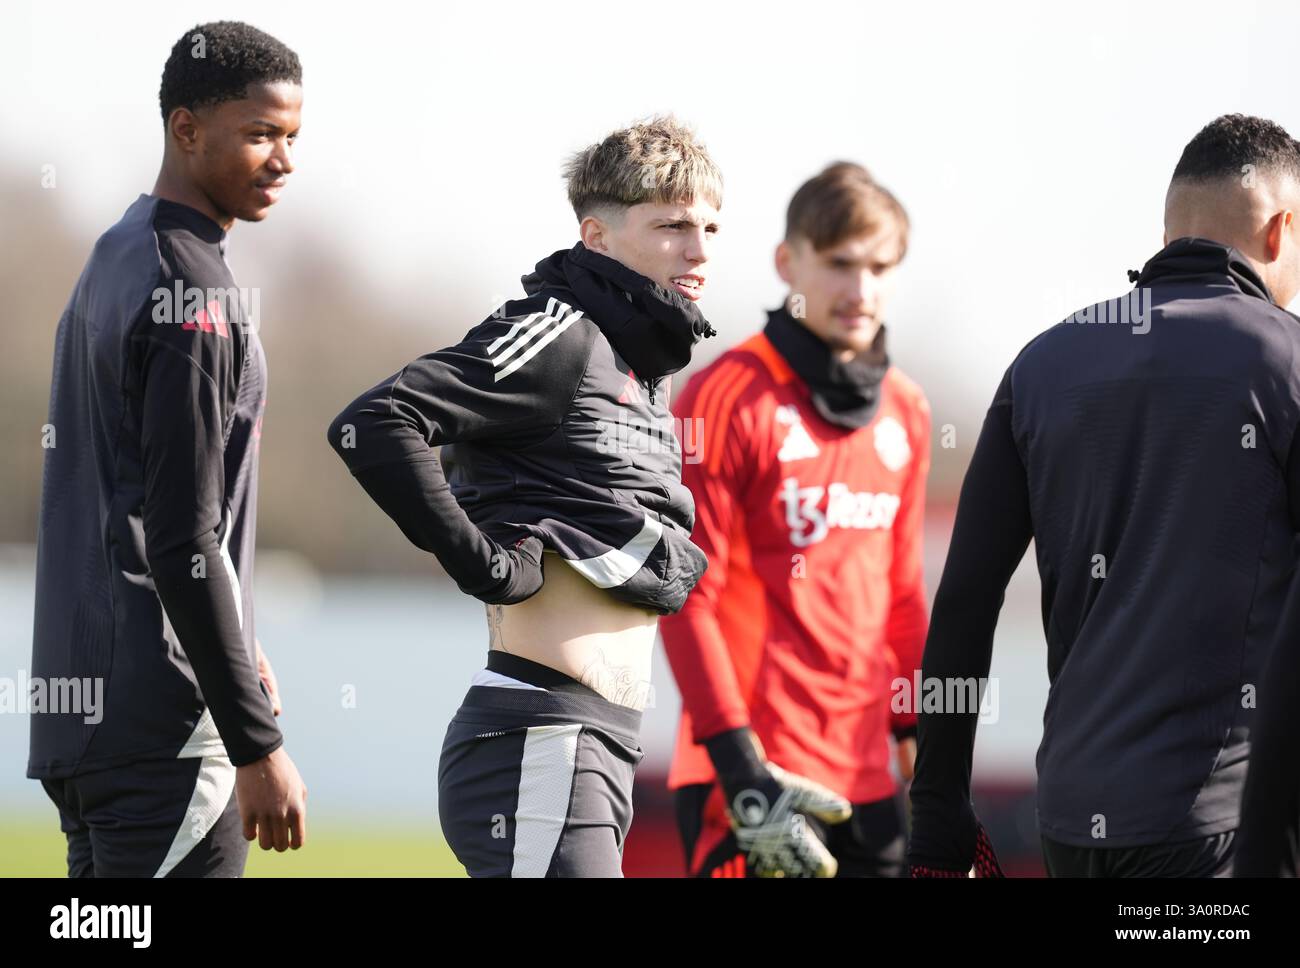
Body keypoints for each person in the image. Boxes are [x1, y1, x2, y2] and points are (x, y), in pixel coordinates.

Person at [328, 116, 722, 877]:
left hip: (596, 744)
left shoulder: (639, 369)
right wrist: (482, 563)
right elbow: (376, 421)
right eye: (672, 225)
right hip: (539, 736)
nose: (699, 249)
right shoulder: (559, 333)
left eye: (709, 225)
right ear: (597, 236)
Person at [908, 114, 1300, 878]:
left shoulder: (1041, 366)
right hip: (1227, 833)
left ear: (1168, 229)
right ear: (1282, 229)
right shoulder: (1287, 361)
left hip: (1074, 826)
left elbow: (963, 603)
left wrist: (938, 815)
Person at [29, 21, 308, 877]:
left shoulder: (120, 250)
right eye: (260, 134)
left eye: (292, 137)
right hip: (165, 732)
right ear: (186, 128)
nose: (284, 160)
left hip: (87, 722)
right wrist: (256, 744)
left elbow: (137, 502)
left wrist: (236, 632)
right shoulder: (192, 291)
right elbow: (179, 535)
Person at [661, 162, 931, 877]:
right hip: (752, 778)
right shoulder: (723, 397)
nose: (861, 289)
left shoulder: (908, 408)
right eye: (841, 263)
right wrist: (739, 768)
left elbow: (901, 598)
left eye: (880, 266)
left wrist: (924, 752)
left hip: (872, 782)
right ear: (788, 263)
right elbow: (690, 597)